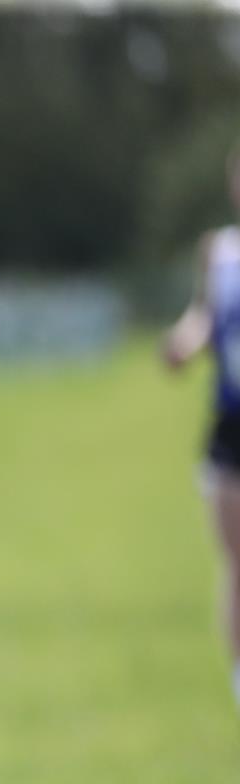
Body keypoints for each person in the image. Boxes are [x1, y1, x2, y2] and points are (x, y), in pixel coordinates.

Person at [162, 143, 240, 713]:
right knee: (237, 560)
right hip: (232, 425)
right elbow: (205, 317)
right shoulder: (220, 251)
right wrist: (185, 342)